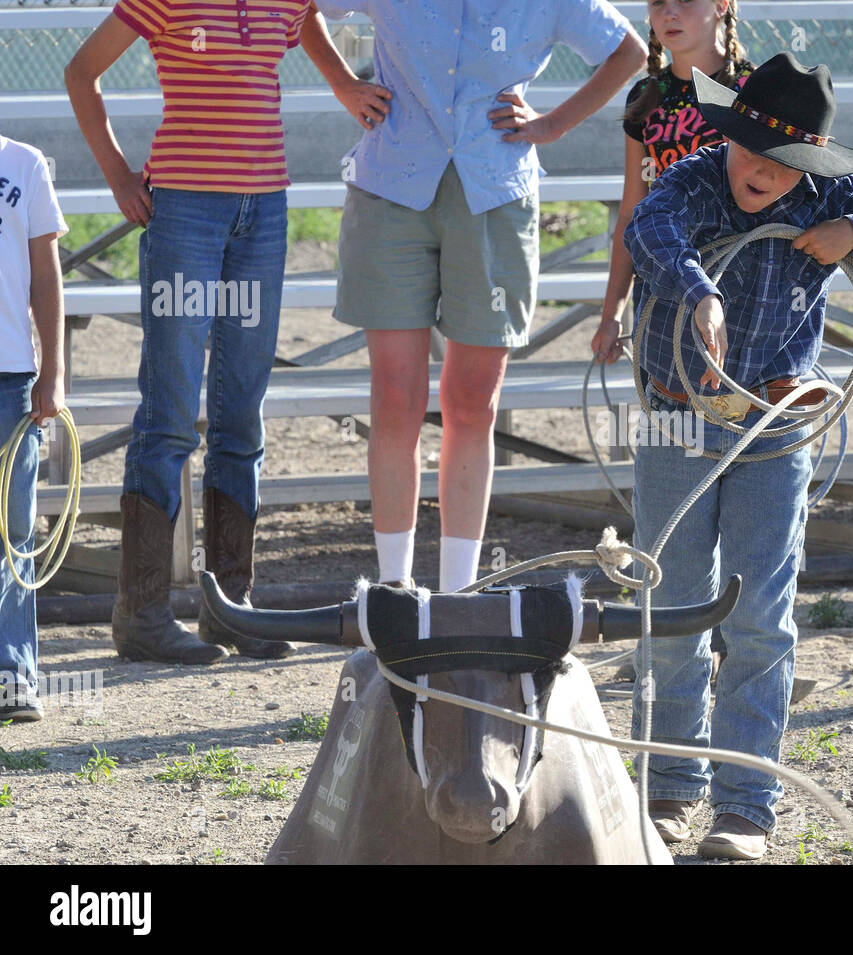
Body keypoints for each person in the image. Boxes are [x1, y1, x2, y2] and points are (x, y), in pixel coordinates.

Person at [624, 52, 853, 859]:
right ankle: (666, 790)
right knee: (672, 611)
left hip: (775, 425)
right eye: (750, 151)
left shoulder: (830, 195)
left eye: (784, 161)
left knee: (761, 617)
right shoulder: (696, 180)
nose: (762, 171)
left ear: (810, 162)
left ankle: (744, 808)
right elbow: (648, 228)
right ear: (726, 134)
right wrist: (699, 288)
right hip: (678, 417)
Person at [66, 2, 390, 664]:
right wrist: (119, 177)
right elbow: (80, 72)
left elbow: (303, 21)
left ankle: (231, 608)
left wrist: (341, 84)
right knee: (172, 413)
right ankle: (143, 612)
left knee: (242, 416)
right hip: (183, 210)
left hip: (263, 214)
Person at [310, 0, 645, 592]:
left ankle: (459, 594)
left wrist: (552, 125)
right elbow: (300, 7)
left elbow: (628, 53)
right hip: (390, 187)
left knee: (473, 401)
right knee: (394, 394)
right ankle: (394, 589)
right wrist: (343, 82)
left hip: (496, 194)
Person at [592, 0, 752, 691]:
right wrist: (612, 307)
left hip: (746, 303)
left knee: (741, 475)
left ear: (723, 5)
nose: (667, 13)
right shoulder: (646, 100)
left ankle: (735, 638)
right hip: (666, 309)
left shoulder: (754, 93)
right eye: (656, 2)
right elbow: (633, 205)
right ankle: (670, 639)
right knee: (669, 477)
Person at [0, 136, 66, 722]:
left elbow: (46, 274)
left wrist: (53, 369)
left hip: (10, 374)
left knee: (14, 526)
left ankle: (13, 675)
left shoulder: (24, 162)